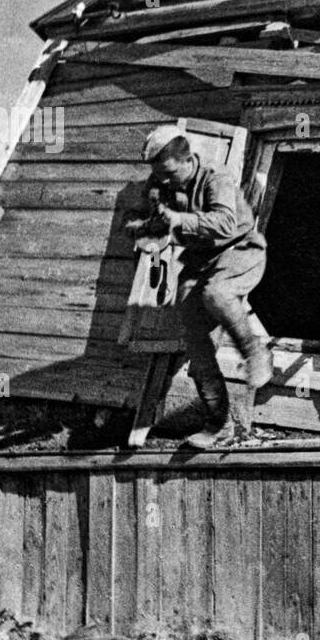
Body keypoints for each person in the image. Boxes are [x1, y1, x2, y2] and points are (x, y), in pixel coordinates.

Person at [124, 125, 273, 449]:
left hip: (239, 252)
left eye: (169, 173)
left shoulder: (214, 178)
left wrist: (177, 221)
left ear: (188, 159)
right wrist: (148, 228)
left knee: (216, 293)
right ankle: (219, 424)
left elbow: (224, 224)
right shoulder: (159, 183)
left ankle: (255, 353)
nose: (163, 182)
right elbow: (132, 222)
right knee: (196, 344)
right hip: (199, 261)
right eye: (158, 175)